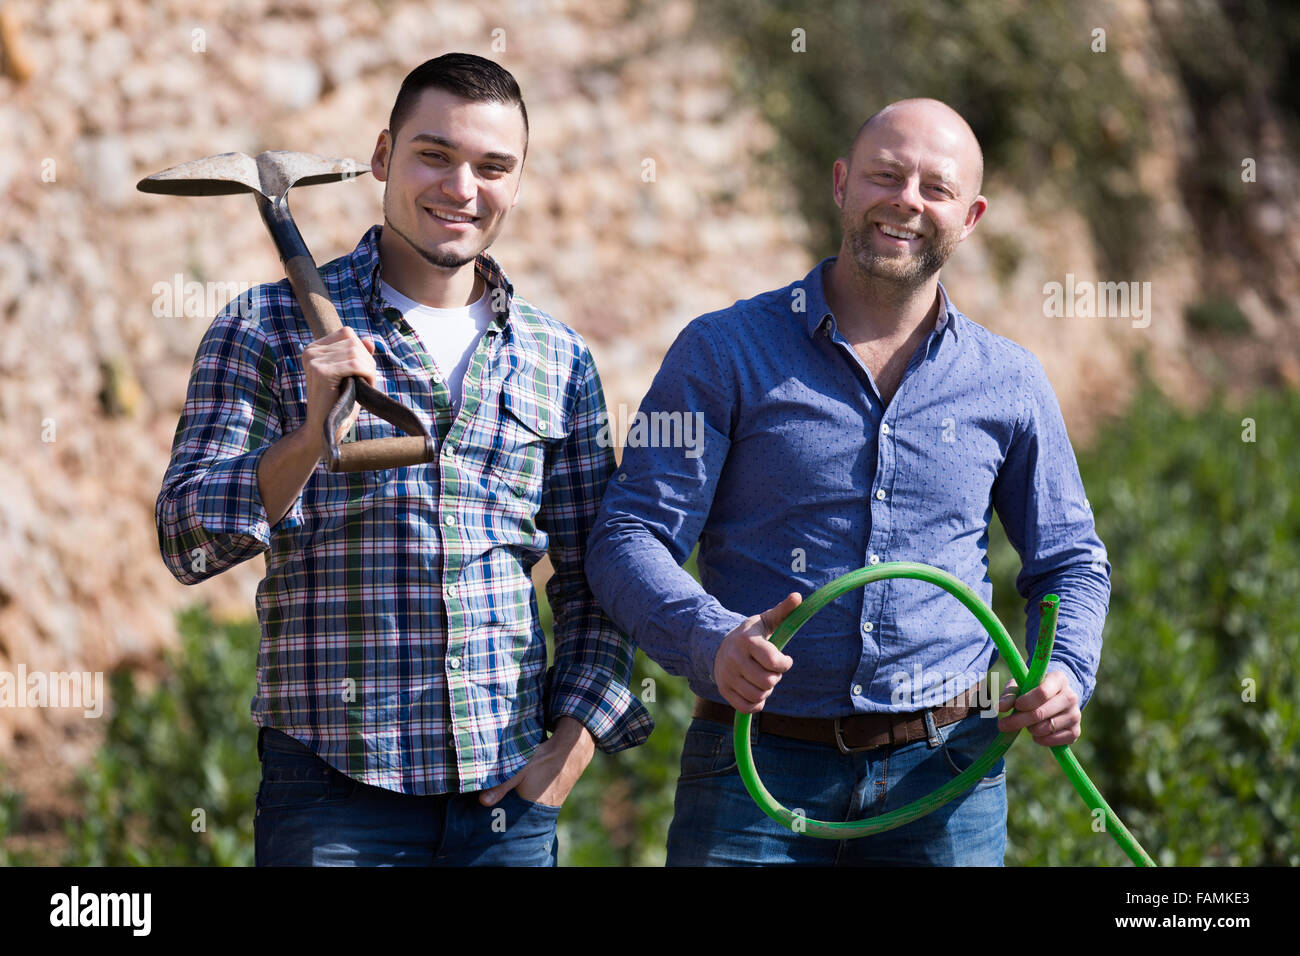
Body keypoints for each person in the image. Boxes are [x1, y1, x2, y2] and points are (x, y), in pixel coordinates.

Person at [585, 98, 1110, 866]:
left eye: (937, 188)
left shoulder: (1009, 381)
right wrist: (712, 638)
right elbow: (629, 535)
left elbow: (1069, 558)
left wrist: (1064, 670)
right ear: (840, 184)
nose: (907, 201)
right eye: (886, 175)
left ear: (970, 217)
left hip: (947, 772)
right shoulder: (723, 352)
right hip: (753, 767)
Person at [156, 52, 651, 866]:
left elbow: (596, 575)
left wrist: (574, 741)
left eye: (492, 166)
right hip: (334, 798)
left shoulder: (555, 357)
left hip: (506, 800)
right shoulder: (266, 328)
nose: (462, 188)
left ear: (518, 183)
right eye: (435, 155)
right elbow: (186, 540)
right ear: (382, 157)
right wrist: (309, 438)